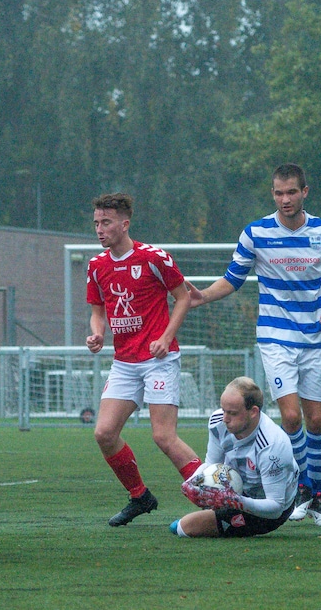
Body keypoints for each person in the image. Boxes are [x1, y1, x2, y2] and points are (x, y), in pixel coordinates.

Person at [187, 163, 321, 526]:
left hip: (314, 338)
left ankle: (314, 495)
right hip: (276, 337)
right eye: (278, 193)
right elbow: (233, 278)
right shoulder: (256, 233)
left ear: (305, 192)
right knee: (291, 416)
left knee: (316, 421)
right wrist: (202, 296)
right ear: (273, 194)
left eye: (291, 192)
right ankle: (299, 488)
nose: (284, 199)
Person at [85, 193, 201, 527]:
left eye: (106, 222)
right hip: (124, 362)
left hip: (158, 360)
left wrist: (165, 337)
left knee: (163, 437)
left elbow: (184, 297)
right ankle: (140, 496)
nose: (100, 229)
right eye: (96, 223)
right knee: (104, 434)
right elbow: (98, 310)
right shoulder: (97, 266)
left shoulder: (154, 258)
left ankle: (217, 496)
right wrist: (97, 334)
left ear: (125, 223)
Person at [173, 377, 298, 538]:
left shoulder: (272, 445)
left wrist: (235, 501)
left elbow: (276, 508)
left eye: (232, 413)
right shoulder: (218, 422)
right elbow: (212, 464)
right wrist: (193, 481)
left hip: (268, 511)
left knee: (183, 528)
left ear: (253, 412)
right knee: (182, 526)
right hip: (237, 493)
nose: (225, 418)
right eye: (223, 410)